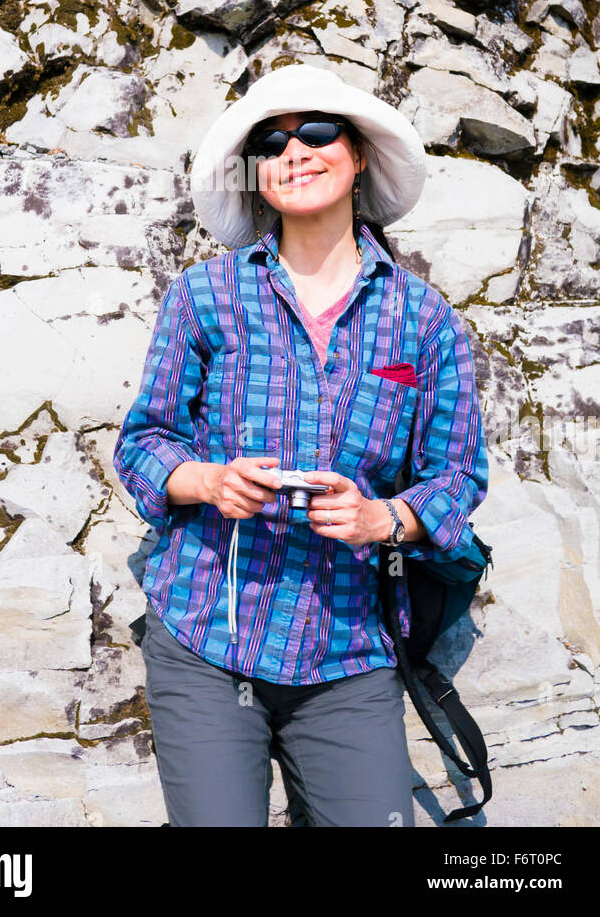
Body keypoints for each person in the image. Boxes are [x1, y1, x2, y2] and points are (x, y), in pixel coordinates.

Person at [113, 61, 488, 827]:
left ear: (356, 159)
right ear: (255, 174)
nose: (295, 150)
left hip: (349, 652)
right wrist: (206, 480)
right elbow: (144, 442)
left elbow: (455, 476)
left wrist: (384, 519)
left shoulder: (425, 320)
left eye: (317, 133)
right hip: (206, 638)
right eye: (272, 141)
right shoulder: (205, 295)